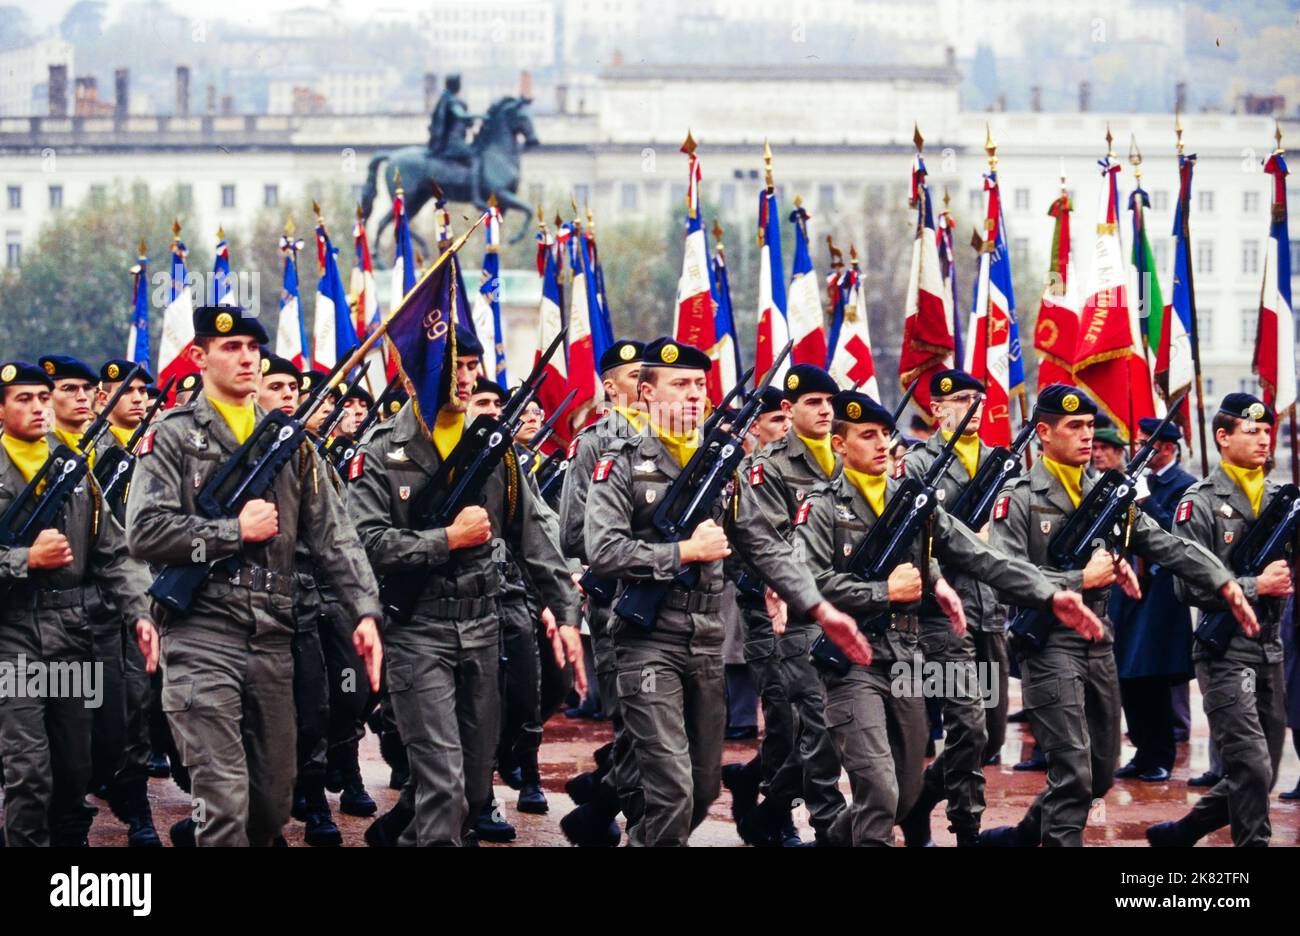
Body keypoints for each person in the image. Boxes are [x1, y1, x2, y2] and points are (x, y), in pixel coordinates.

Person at [795, 388, 1102, 846]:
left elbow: (983, 556)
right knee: (879, 792)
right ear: (839, 444)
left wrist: (1051, 594)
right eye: (866, 435)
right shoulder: (821, 507)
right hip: (852, 665)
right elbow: (807, 582)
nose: (882, 444)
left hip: (908, 660)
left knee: (903, 794)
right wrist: (884, 591)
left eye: (885, 434)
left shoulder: (914, 503)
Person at [125, 305, 383, 846]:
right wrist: (230, 531)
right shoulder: (172, 435)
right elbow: (145, 532)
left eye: (252, 349)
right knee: (224, 802)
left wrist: (364, 609)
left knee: (271, 806)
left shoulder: (289, 442)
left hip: (274, 635)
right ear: (198, 357)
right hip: (201, 630)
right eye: (231, 348)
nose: (247, 359)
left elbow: (335, 535)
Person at [979, 384, 1256, 848]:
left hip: (1100, 642)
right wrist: (1077, 581)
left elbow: (1164, 542)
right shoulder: (1019, 495)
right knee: (1072, 771)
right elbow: (1004, 573)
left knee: (1100, 773)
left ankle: (1022, 837)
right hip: (1048, 645)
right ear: (1043, 433)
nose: (1088, 436)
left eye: (1090, 426)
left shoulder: (1106, 494)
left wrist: (1222, 580)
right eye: (1075, 427)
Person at [348, 325, 582, 847]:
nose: (464, 376)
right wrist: (445, 539)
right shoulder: (383, 450)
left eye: (471, 366)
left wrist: (565, 612)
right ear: (412, 377)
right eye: (451, 365)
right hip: (416, 630)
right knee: (443, 784)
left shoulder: (494, 449)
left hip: (483, 627)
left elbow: (538, 538)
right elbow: (364, 543)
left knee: (475, 790)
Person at [0, 360, 157, 847]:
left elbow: (115, 551)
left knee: (77, 766)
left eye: (43, 398)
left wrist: (141, 613)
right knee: (29, 770)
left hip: (72, 631)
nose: (38, 408)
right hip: (12, 632)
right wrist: (26, 559)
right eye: (23, 399)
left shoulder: (72, 466)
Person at [727, 363, 864, 847]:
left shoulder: (852, 457)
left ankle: (769, 801)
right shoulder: (767, 468)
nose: (825, 410)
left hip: (845, 605)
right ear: (788, 409)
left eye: (830, 401)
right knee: (802, 722)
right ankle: (826, 827)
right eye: (813, 402)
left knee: (823, 726)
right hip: (783, 612)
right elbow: (768, 543)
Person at [1147, 393, 1292, 847]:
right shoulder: (1200, 503)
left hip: (1270, 647)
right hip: (1225, 651)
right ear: (1222, 438)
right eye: (1252, 431)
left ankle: (1184, 832)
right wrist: (1254, 587)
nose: (1264, 439)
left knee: (1260, 771)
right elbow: (1184, 586)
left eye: (1268, 431)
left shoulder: (1279, 498)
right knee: (1250, 765)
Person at [897, 369, 1005, 847]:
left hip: (993, 612)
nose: (973, 407)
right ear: (937, 409)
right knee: (967, 723)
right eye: (961, 399)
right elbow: (907, 538)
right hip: (944, 617)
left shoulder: (1002, 465)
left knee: (991, 735)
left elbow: (1015, 535)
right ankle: (967, 830)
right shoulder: (917, 466)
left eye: (978, 399)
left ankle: (920, 800)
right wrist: (962, 544)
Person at [558, 339, 648, 847]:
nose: (645, 383)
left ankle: (601, 795)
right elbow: (573, 533)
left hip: (679, 609)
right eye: (635, 375)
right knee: (636, 721)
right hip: (620, 602)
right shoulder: (594, 443)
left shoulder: (680, 440)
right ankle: (636, 824)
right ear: (610, 387)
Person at [93, 358, 162, 847]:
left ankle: (137, 805)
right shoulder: (86, 453)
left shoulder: (155, 450)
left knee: (137, 703)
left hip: (141, 593)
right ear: (104, 397)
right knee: (90, 709)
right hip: (89, 602)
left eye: (143, 391)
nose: (137, 398)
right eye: (126, 390)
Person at [1111, 415, 1197, 784]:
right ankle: (1141, 751)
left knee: (1154, 677)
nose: (1139, 449)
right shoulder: (1132, 479)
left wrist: (1145, 499)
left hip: (1160, 595)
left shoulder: (1185, 486)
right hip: (1127, 589)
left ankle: (1161, 754)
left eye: (1146, 443)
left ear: (1166, 448)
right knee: (1127, 676)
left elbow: (1176, 539)